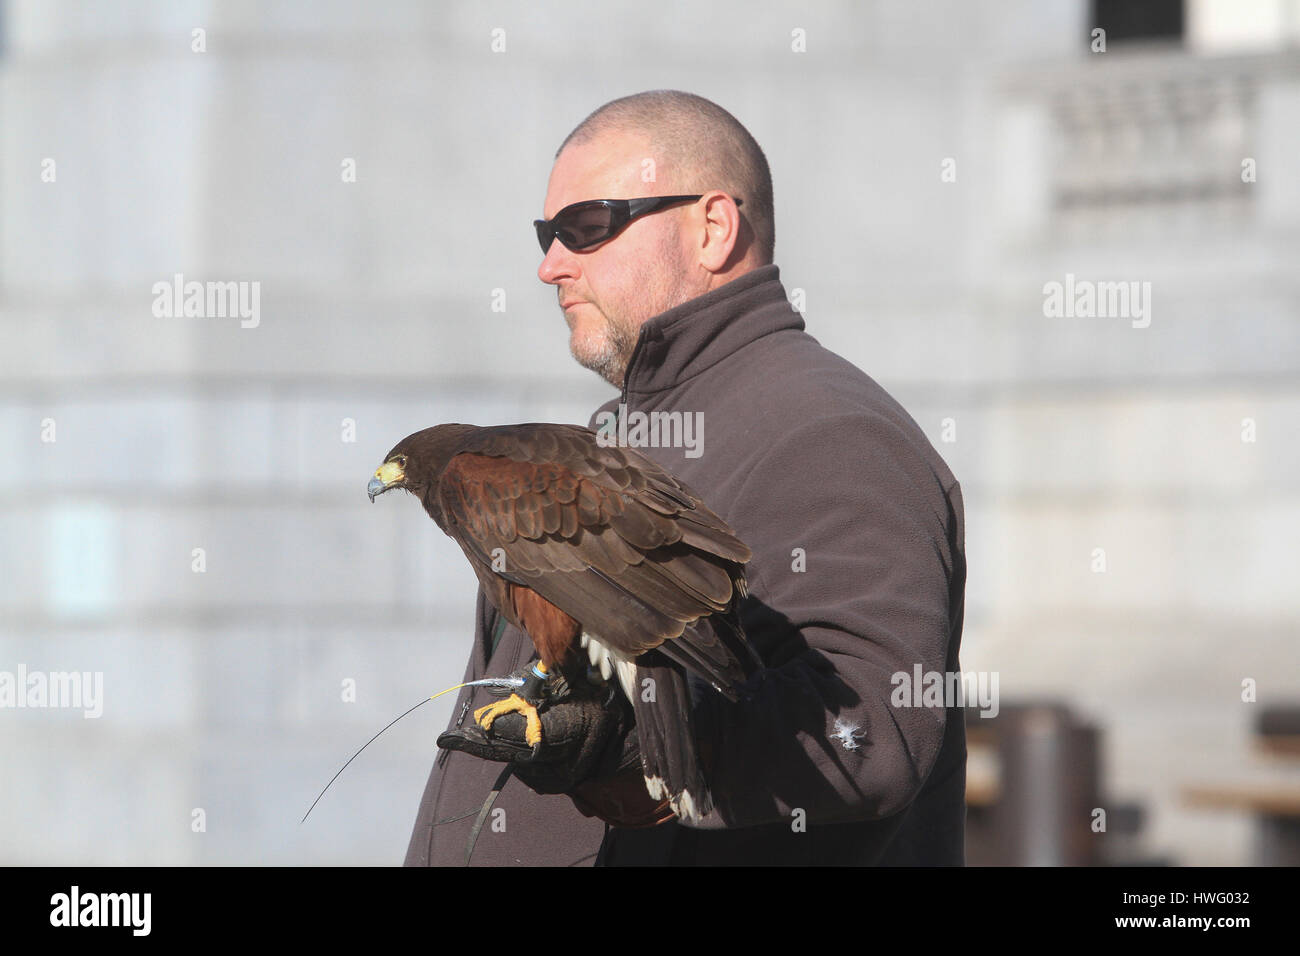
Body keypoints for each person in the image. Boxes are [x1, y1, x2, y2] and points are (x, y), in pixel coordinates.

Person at [403, 90, 967, 866]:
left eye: (587, 226)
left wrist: (625, 744)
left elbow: (878, 733)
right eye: (546, 235)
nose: (550, 265)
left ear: (712, 228)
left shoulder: (830, 432)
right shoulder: (608, 443)